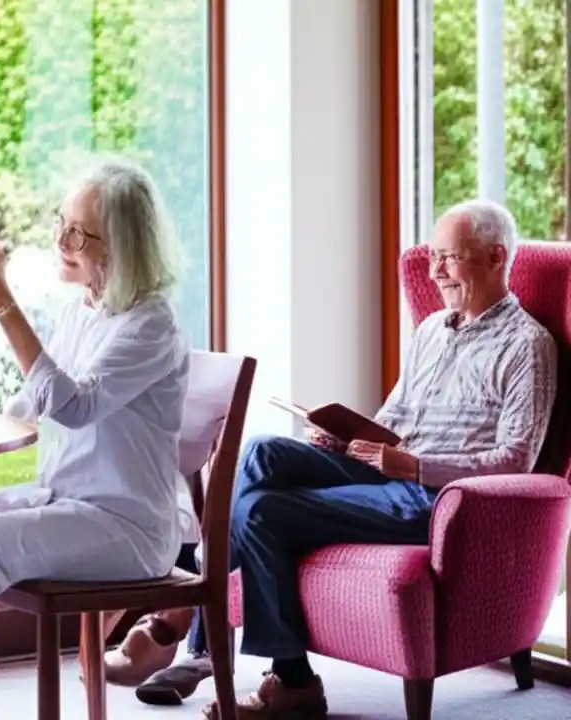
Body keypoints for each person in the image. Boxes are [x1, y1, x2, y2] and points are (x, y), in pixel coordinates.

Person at [202, 199, 556, 719]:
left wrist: (414, 466)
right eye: (433, 257)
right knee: (262, 450)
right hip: (386, 469)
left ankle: (281, 673)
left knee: (261, 512)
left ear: (496, 256)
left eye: (448, 258)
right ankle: (195, 623)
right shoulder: (433, 330)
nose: (435, 272)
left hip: (434, 499)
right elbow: (397, 415)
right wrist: (345, 437)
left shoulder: (528, 345)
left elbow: (516, 459)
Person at [0, 159, 189, 720]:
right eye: (61, 223)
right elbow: (36, 398)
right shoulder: (86, 308)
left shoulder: (151, 325)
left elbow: (72, 407)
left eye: (77, 232)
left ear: (119, 245)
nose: (61, 239)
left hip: (125, 527)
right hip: (62, 500)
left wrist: (0, 302)